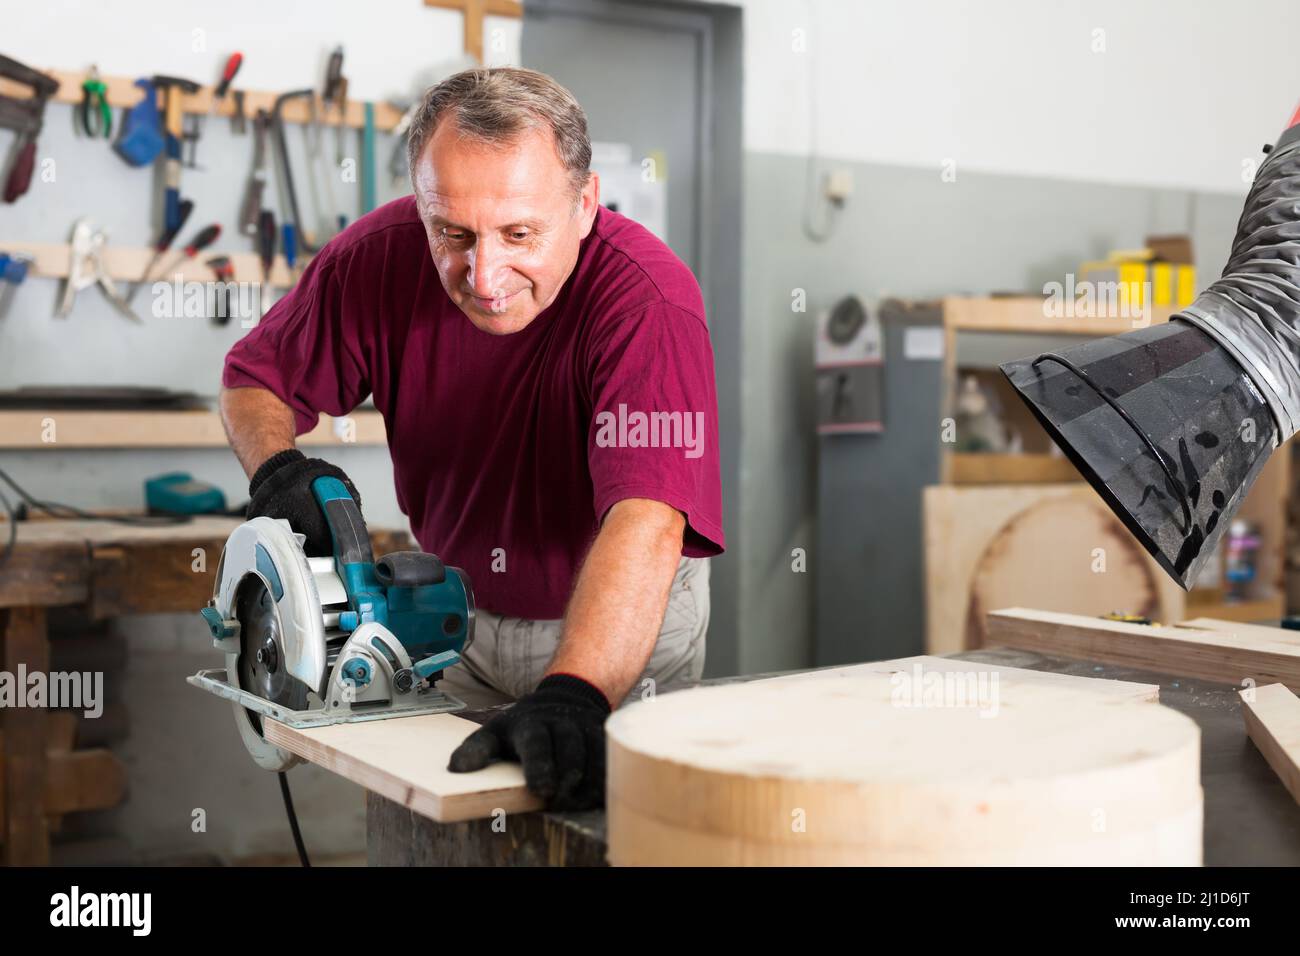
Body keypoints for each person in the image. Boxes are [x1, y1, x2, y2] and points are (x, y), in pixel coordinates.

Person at [219, 67, 724, 810]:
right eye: (451, 234)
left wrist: (577, 690)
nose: (484, 277)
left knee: (613, 833)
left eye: (519, 234)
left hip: (625, 620)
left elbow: (646, 519)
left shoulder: (648, 302)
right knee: (439, 825)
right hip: (452, 618)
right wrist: (278, 470)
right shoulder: (376, 259)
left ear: (585, 205)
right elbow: (253, 379)